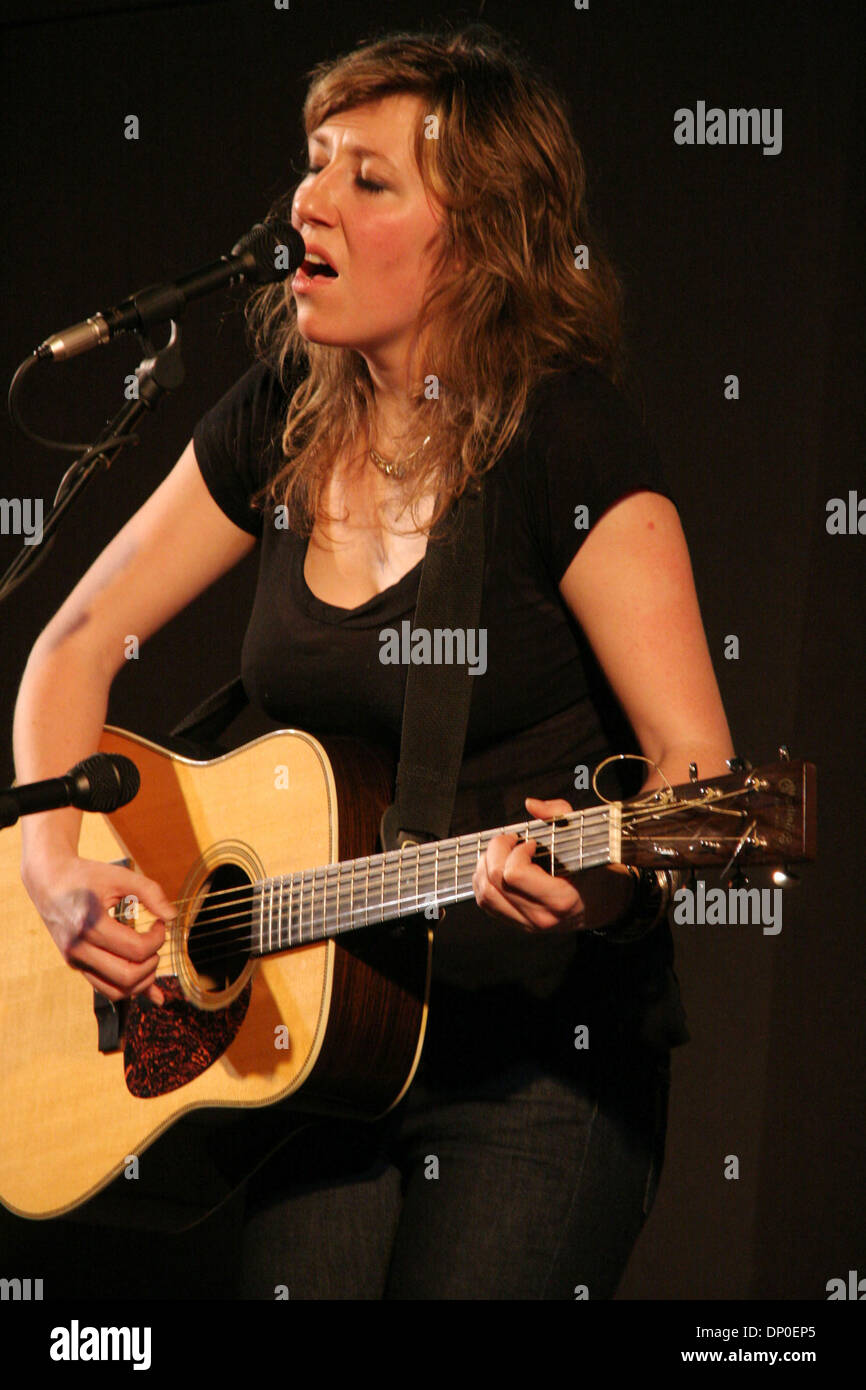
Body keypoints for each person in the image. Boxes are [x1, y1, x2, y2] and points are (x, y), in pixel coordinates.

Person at [13, 25, 734, 1299]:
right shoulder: (285, 413)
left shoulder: (565, 443)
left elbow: (697, 772)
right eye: (312, 161)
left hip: (534, 1073)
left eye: (368, 176)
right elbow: (73, 643)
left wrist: (603, 887)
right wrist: (57, 871)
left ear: (484, 234)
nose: (308, 201)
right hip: (319, 1053)